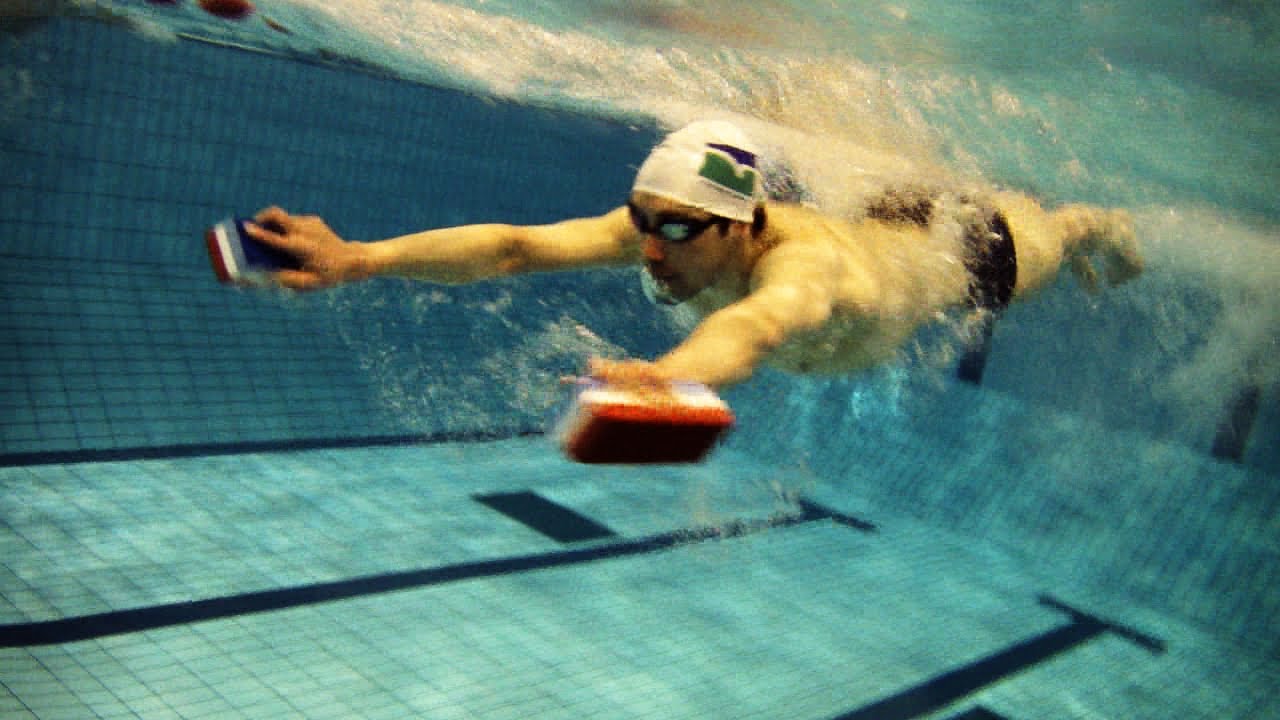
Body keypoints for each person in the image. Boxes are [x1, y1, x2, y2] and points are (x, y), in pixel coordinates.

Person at [247, 120, 1142, 390]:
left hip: (984, 253)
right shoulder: (680, 226)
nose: (648, 249)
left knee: (1061, 234)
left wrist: (670, 376)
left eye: (675, 230)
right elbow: (518, 248)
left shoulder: (802, 273)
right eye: (641, 219)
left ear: (745, 227)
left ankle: (1100, 224)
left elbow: (755, 328)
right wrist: (360, 257)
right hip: (885, 213)